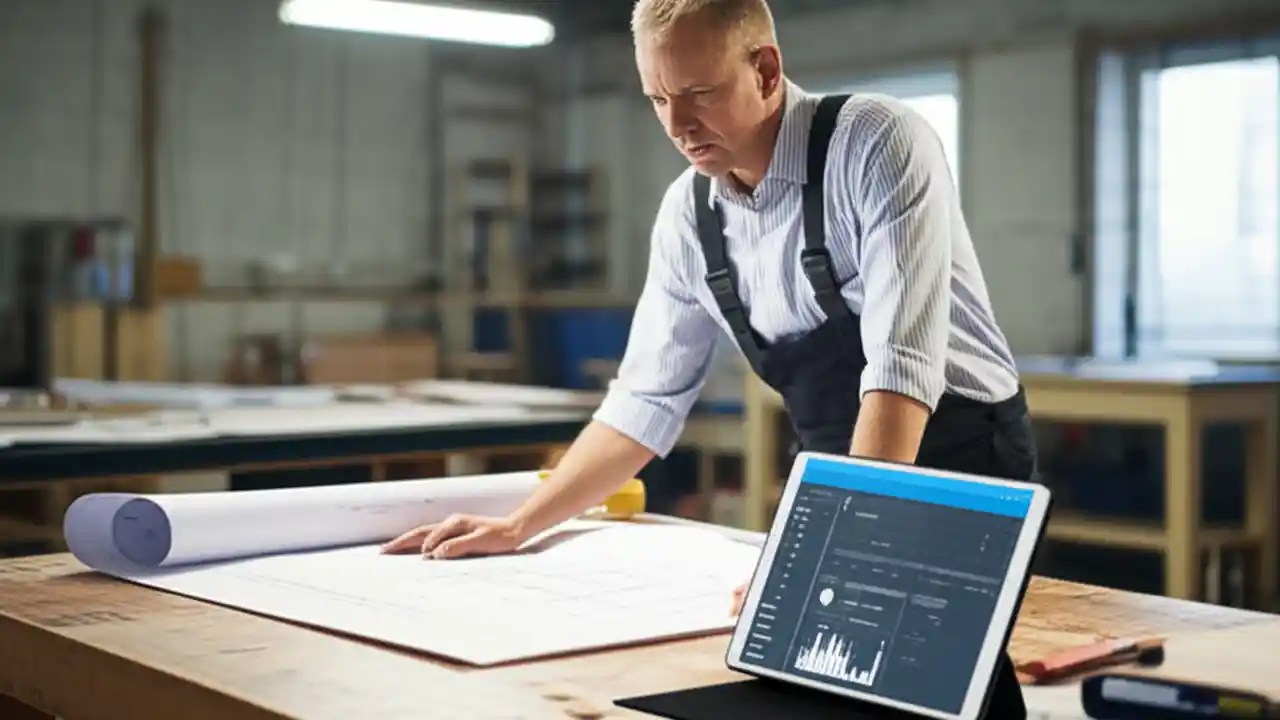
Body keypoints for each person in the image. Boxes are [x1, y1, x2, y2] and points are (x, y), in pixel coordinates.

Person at [382, 0, 1038, 616]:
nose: (677, 125)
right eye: (658, 99)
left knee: (944, 677)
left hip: (961, 455)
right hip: (839, 468)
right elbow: (642, 404)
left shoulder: (877, 145)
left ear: (767, 70)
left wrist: (822, 557)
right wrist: (520, 523)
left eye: (699, 94)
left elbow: (900, 373)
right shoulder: (689, 217)